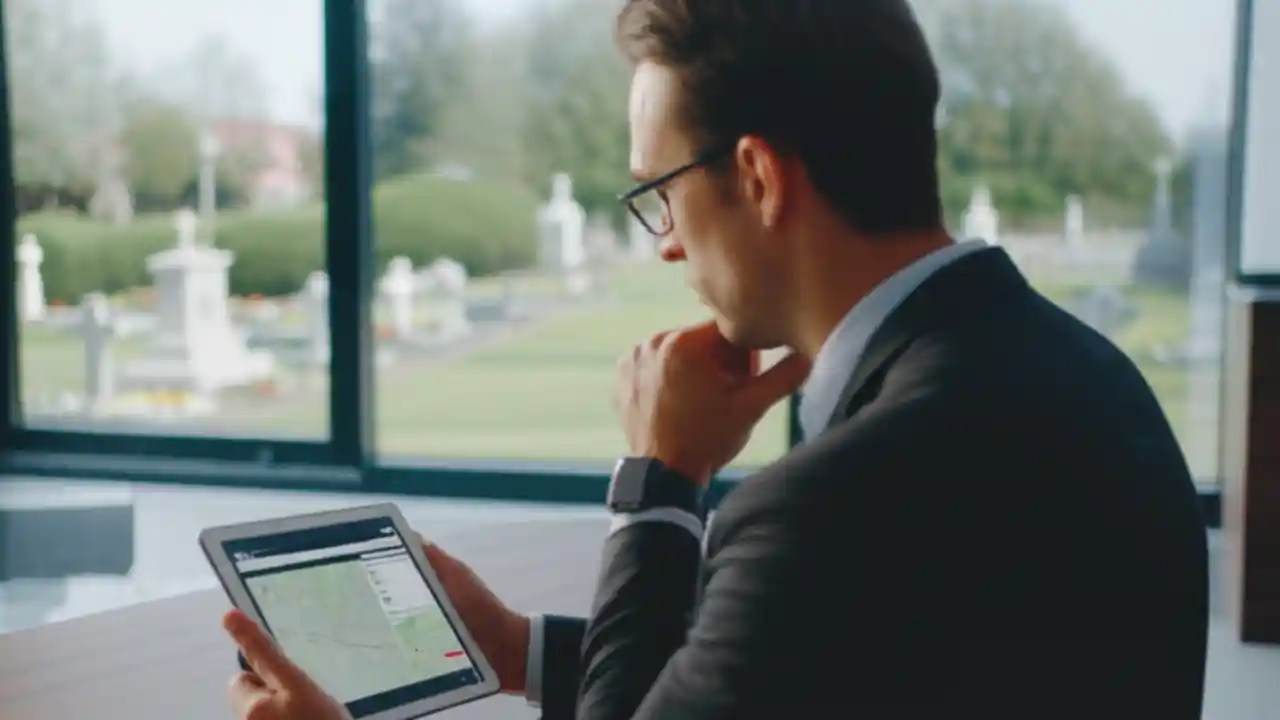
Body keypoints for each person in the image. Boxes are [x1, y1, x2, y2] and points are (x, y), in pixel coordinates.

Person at [221, 0, 1209, 717]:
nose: (664, 244)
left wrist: (661, 481)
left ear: (756, 175)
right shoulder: (1084, 377)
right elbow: (801, 679)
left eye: (660, 190)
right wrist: (525, 652)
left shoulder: (831, 504)